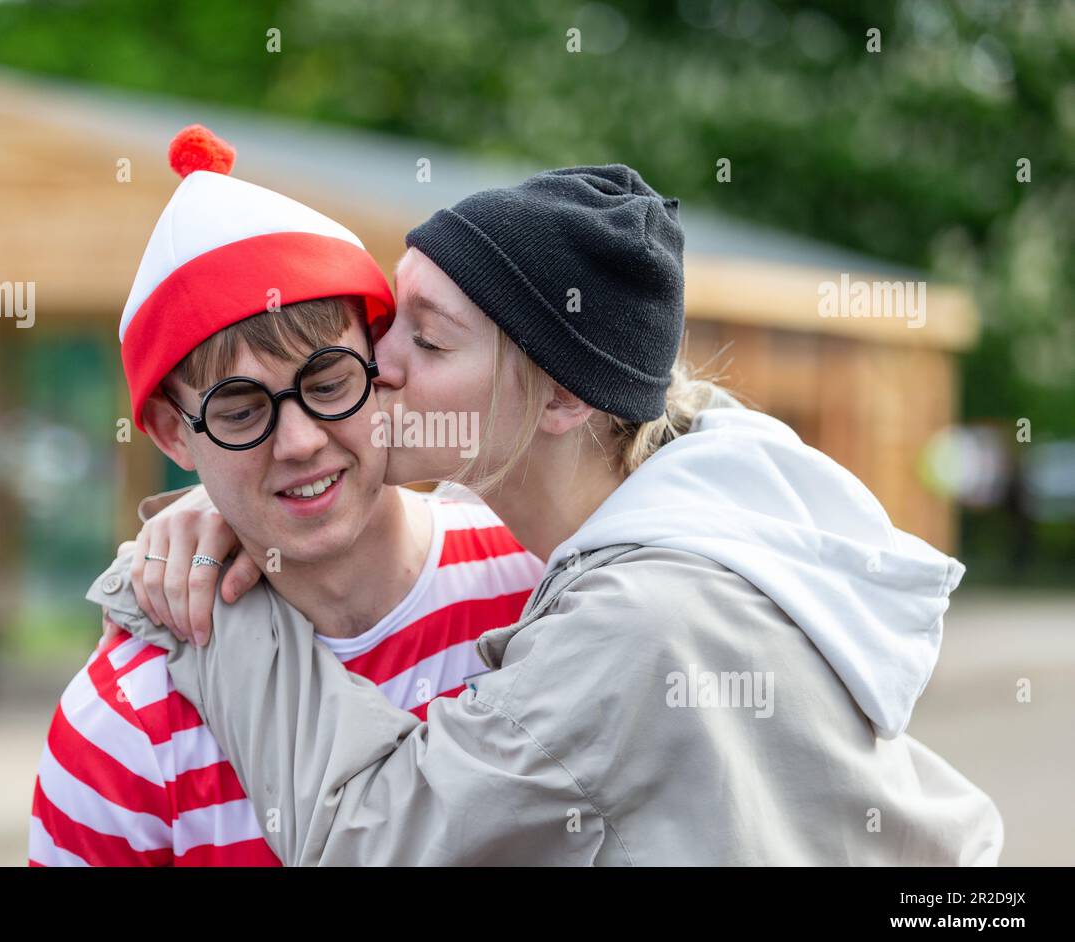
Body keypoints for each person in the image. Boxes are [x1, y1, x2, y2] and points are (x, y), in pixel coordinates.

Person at [101, 162, 1005, 864]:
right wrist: (234, 503)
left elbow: (363, 842)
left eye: (429, 335)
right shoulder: (714, 528)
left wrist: (209, 597)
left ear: (566, 400)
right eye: (391, 321)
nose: (380, 363)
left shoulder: (639, 623)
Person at [27, 126, 545, 866]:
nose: (299, 441)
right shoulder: (120, 725)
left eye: (329, 382)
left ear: (381, 364)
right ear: (175, 436)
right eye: (242, 412)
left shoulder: (538, 577)